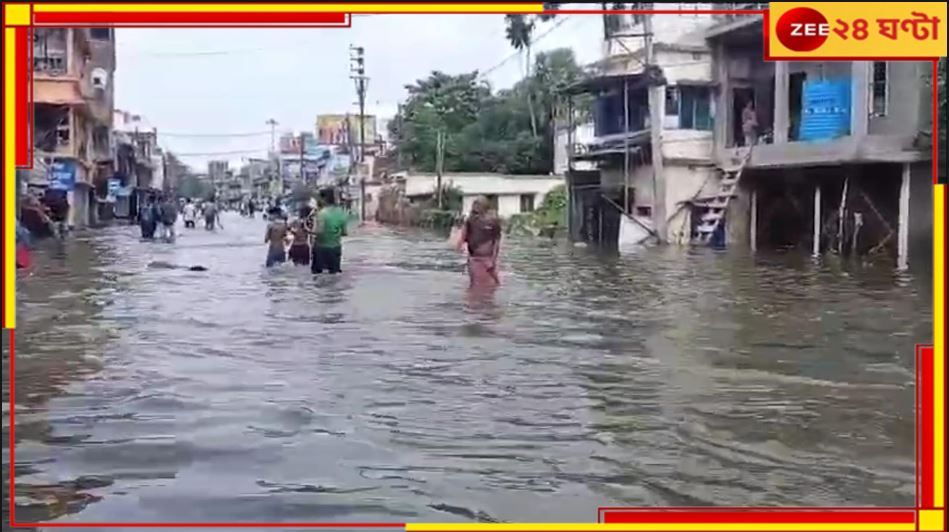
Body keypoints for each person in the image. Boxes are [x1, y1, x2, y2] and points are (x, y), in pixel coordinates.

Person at [457, 196, 501, 288]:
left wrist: (494, 259)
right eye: (475, 204)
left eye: (478, 204)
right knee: (475, 284)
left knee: (493, 283)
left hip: (488, 257)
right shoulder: (470, 221)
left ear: (484, 207)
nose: (475, 207)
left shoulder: (493, 222)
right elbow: (463, 237)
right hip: (474, 257)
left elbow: (496, 241)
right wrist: (459, 245)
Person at [310, 190, 348, 274]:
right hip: (335, 248)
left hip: (321, 248)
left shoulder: (321, 214)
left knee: (317, 275)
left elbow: (319, 231)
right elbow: (344, 233)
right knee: (334, 274)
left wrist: (309, 231)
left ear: (323, 199)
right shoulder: (341, 213)